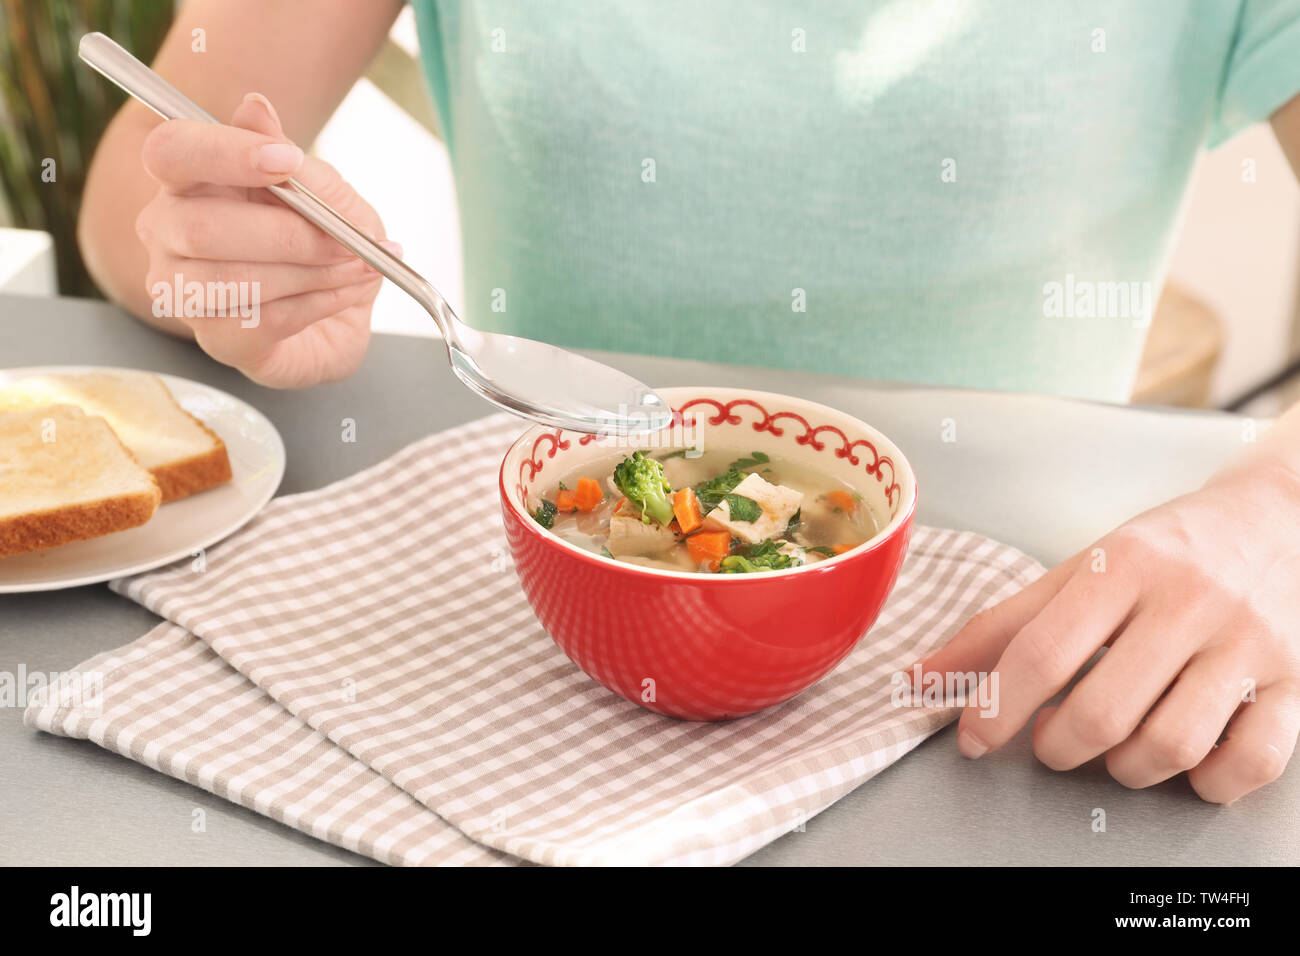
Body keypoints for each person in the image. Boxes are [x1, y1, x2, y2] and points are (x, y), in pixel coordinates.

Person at [79, 0, 1300, 804]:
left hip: (1033, 687)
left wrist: (1274, 511)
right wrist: (229, 255)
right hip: (532, 695)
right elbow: (133, 189)